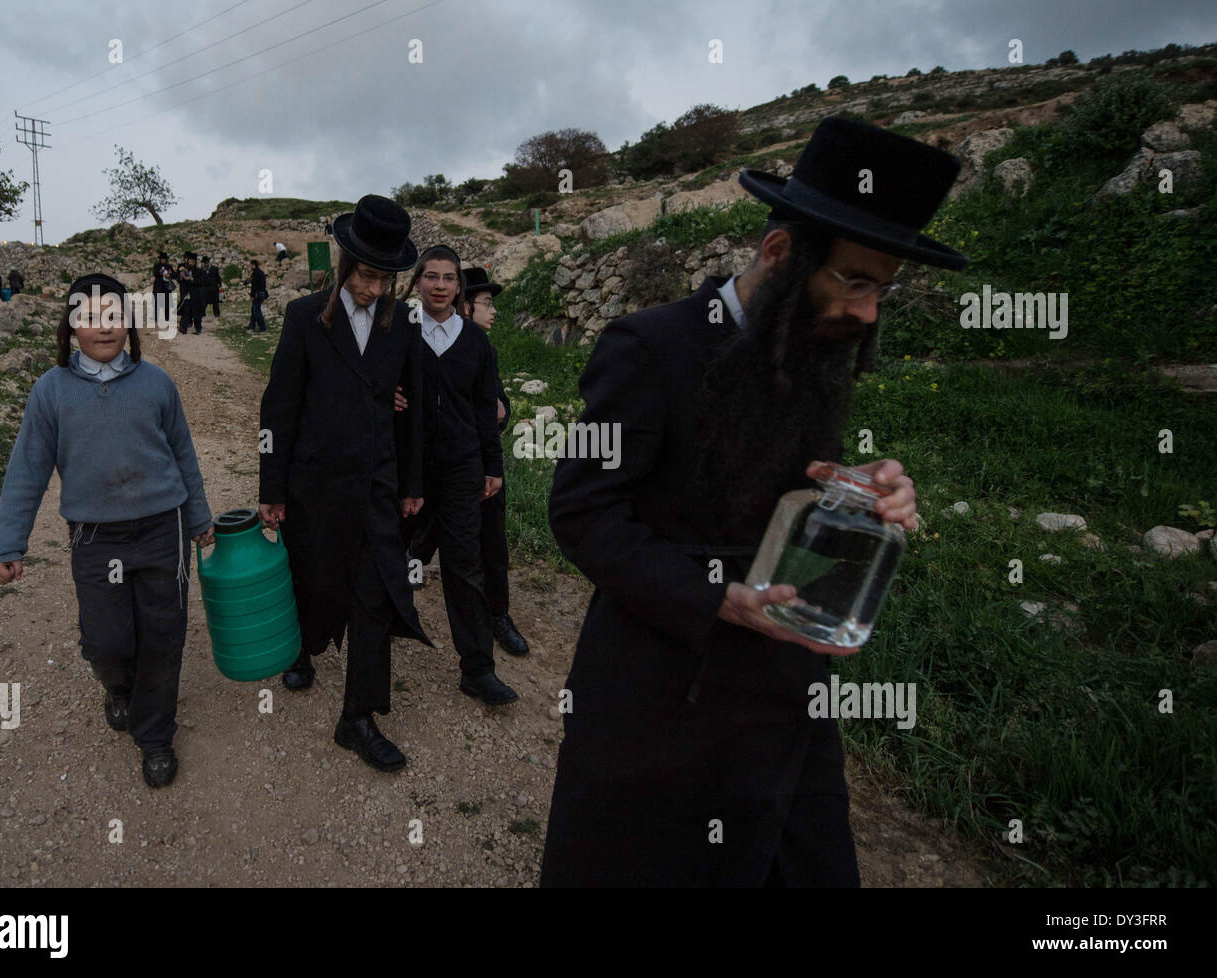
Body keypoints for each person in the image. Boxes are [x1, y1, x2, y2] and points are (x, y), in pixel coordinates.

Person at [538, 117, 965, 887]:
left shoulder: (814, 341)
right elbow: (582, 514)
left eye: (884, 290)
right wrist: (717, 599)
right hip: (659, 696)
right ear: (779, 255)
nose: (869, 313)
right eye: (857, 282)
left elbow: (788, 493)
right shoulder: (649, 347)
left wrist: (860, 490)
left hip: (783, 694)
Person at [0, 273, 214, 788]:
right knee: (107, 639)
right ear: (72, 327)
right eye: (89, 317)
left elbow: (183, 454)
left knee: (163, 634)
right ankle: (118, 685)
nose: (103, 327)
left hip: (164, 528)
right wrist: (9, 542)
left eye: (113, 315)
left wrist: (199, 517)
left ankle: (155, 735)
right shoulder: (50, 392)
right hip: (96, 539)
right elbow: (27, 470)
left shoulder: (157, 383)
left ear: (128, 323)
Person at [258, 195, 429, 773]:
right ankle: (303, 646)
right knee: (314, 573)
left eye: (385, 279)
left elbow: (414, 408)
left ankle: (358, 717)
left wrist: (411, 481)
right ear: (344, 265)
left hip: (377, 484)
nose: (374, 288)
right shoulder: (304, 317)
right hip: (314, 483)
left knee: (375, 594)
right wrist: (272, 488)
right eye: (367, 275)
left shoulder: (403, 323)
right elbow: (278, 407)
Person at [403, 245, 517, 706]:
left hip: (462, 468)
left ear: (459, 287)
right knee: (392, 551)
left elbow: (484, 409)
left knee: (463, 565)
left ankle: (477, 668)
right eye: (431, 276)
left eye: (449, 278)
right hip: (408, 468)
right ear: (418, 283)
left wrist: (492, 467)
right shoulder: (401, 333)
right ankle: (390, 627)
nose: (439, 286)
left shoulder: (475, 342)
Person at [152, 251, 174, 327]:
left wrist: (170, 273)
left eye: (164, 259)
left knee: (167, 303)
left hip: (167, 288)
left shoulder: (169, 266)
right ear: (160, 259)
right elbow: (155, 273)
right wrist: (160, 272)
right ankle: (156, 318)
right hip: (158, 287)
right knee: (157, 303)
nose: (163, 260)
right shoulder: (157, 266)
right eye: (162, 259)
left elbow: (173, 275)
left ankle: (167, 318)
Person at [247, 260, 267, 332]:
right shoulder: (260, 272)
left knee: (256, 311)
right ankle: (251, 326)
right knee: (254, 310)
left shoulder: (255, 273)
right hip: (261, 293)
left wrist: (252, 295)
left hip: (257, 294)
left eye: (250, 265)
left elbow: (254, 286)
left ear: (253, 265)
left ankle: (262, 327)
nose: (250, 267)